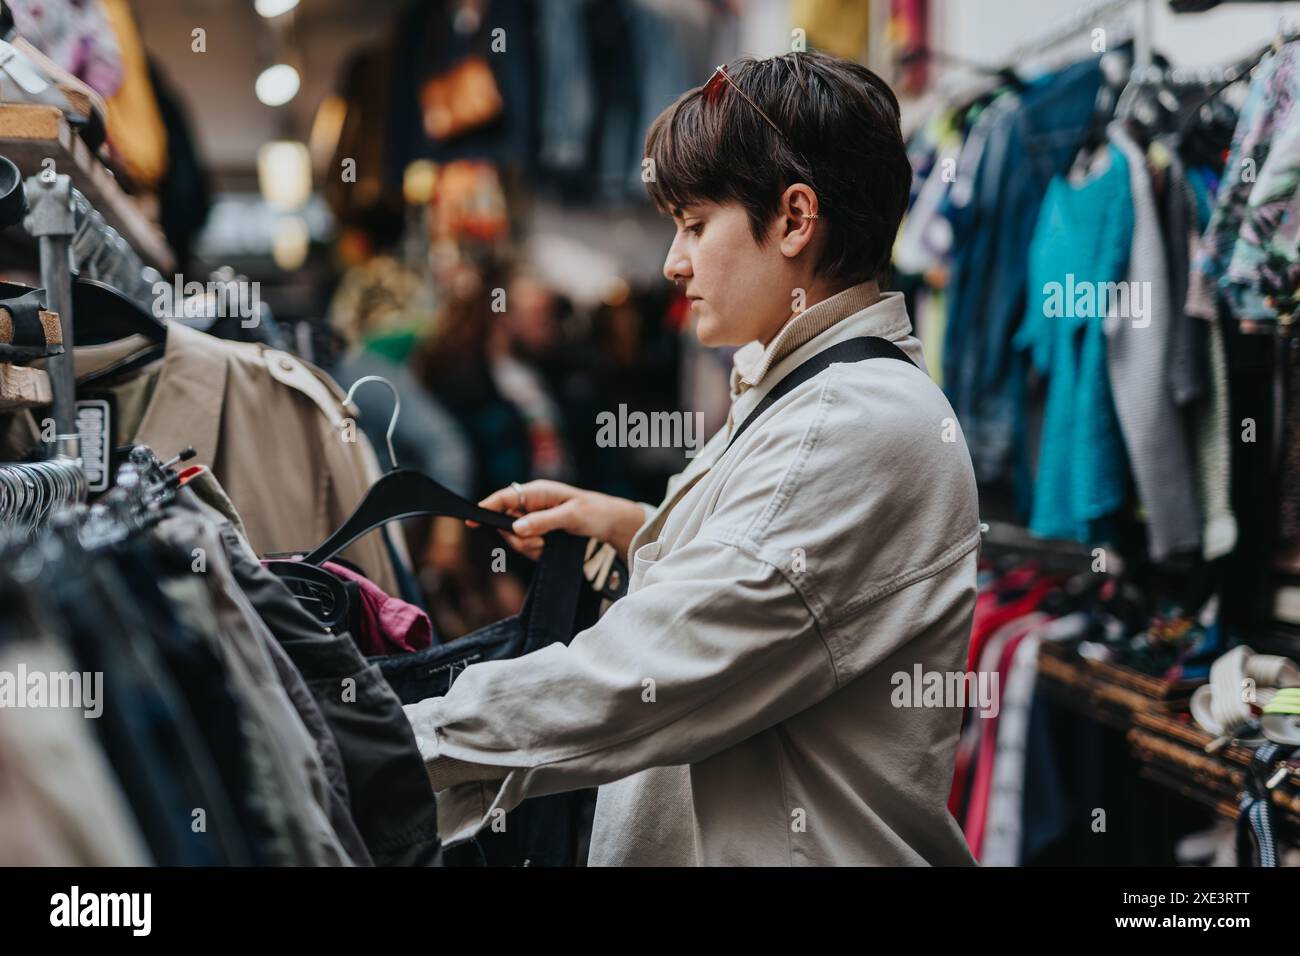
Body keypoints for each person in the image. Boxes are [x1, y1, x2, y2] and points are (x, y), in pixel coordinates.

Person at [403, 50, 982, 866]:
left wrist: (394, 742)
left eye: (695, 224)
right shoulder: (805, 389)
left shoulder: (847, 420)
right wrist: (636, 531)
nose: (674, 263)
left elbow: (648, 674)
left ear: (792, 219)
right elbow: (778, 593)